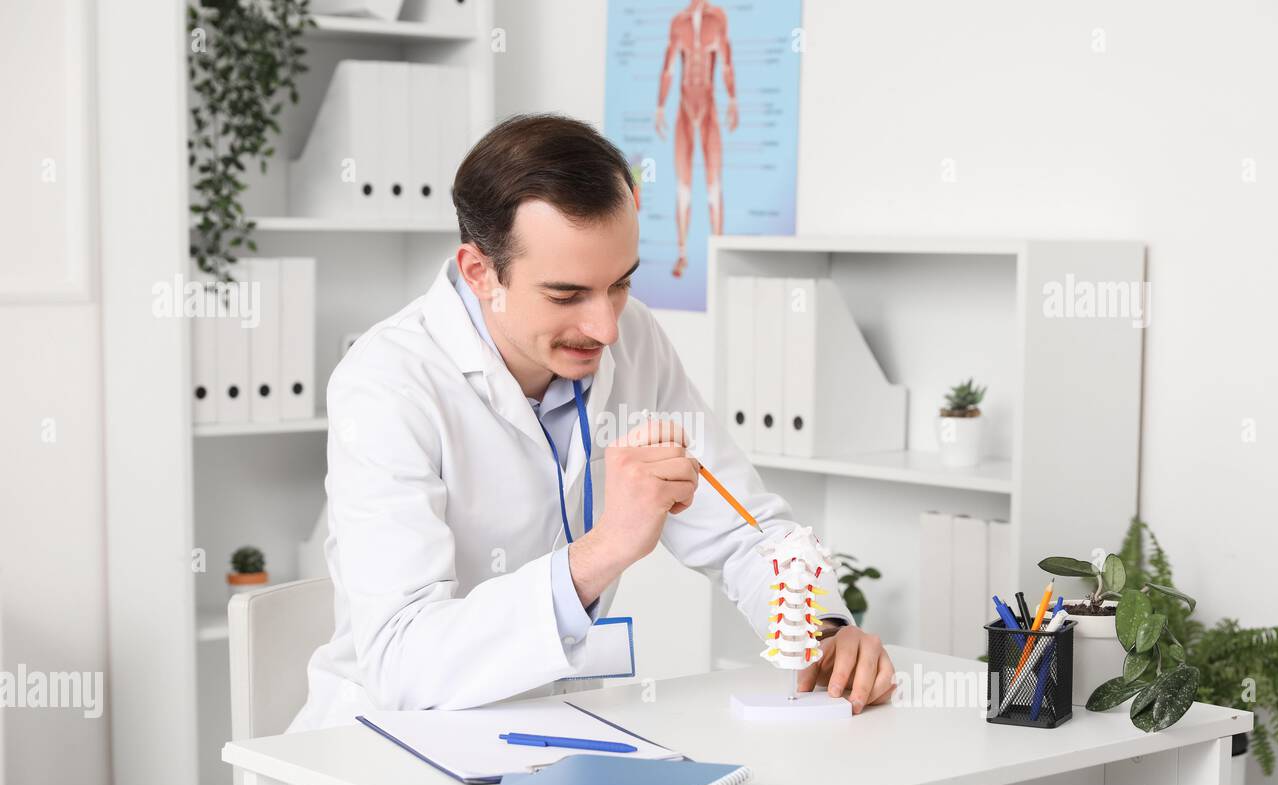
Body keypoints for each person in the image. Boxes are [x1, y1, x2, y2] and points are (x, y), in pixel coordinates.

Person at [288, 114, 895, 732]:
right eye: (566, 295)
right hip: (387, 744)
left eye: (621, 285)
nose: (605, 328)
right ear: (480, 273)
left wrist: (820, 627)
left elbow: (742, 528)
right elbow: (402, 662)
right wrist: (603, 551)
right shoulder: (387, 382)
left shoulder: (633, 340)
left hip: (567, 726)